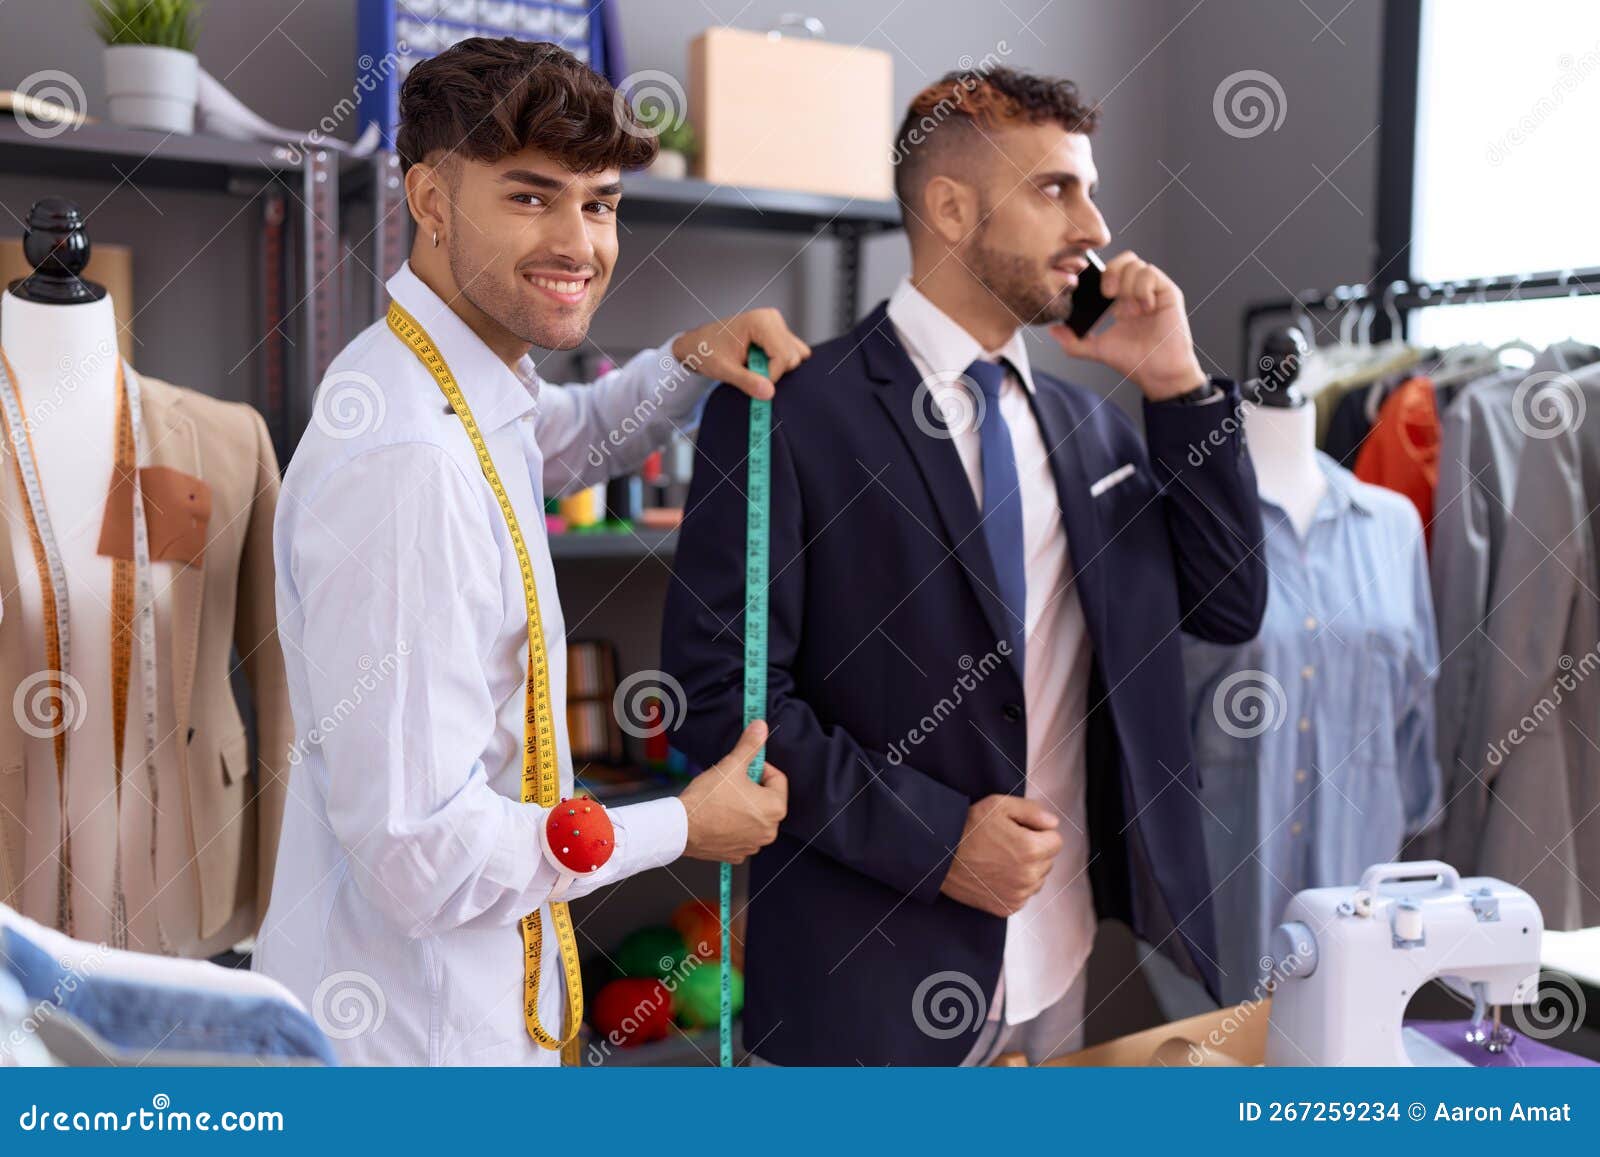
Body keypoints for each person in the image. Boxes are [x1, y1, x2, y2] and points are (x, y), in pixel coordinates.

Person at [662, 66, 1268, 1066]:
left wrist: (1177, 382)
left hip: (1060, 955)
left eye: (1089, 187)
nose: (1095, 222)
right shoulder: (787, 412)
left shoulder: (1095, 432)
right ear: (949, 206)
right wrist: (940, 841)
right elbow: (723, 697)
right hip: (860, 982)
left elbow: (1228, 604)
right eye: (1054, 188)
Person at [254, 38, 801, 1066]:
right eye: (530, 197)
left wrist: (688, 359)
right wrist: (680, 825)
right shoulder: (407, 461)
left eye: (597, 203)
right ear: (430, 199)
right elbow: (422, 851)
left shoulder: (455, 382)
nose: (577, 241)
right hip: (410, 1050)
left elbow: (557, 439)